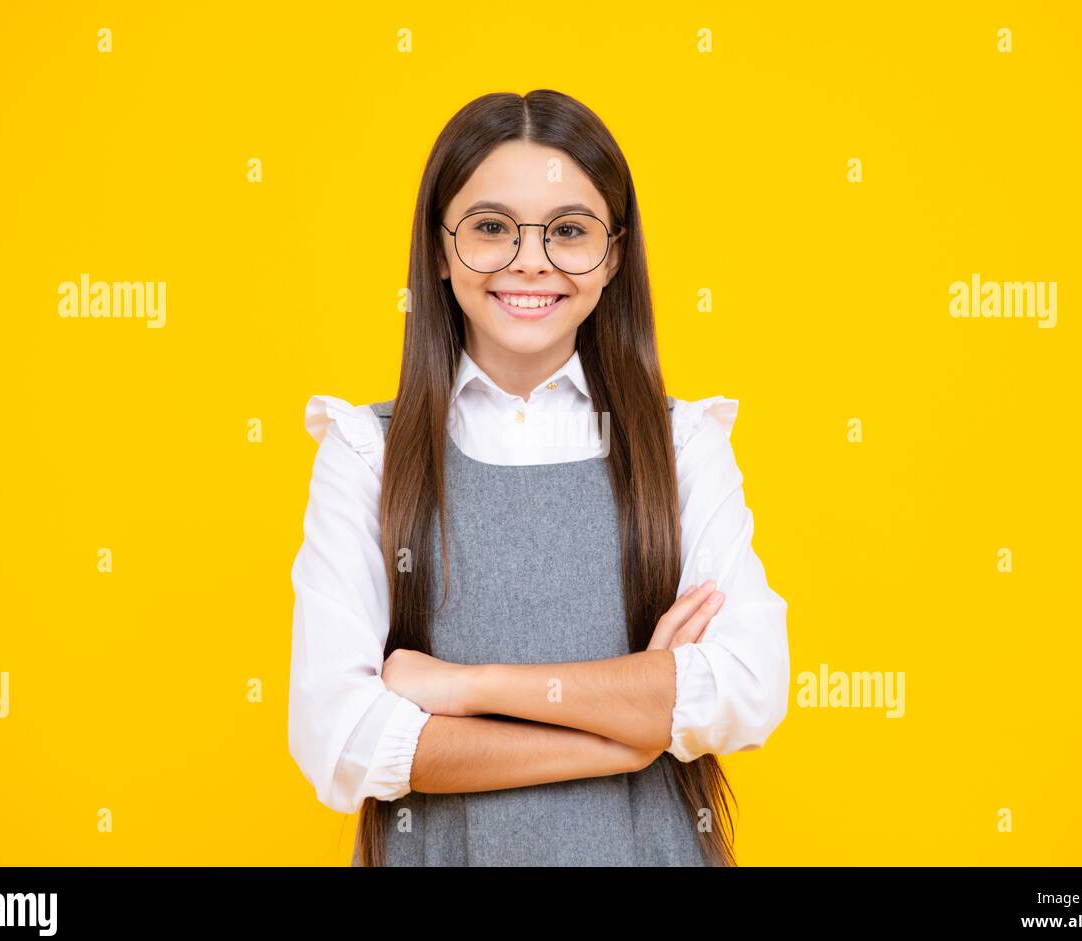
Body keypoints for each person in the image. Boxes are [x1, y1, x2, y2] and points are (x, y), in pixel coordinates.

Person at [287, 89, 790, 866]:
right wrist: (627, 729)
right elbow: (340, 736)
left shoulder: (681, 444)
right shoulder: (364, 453)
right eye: (491, 228)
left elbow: (748, 689)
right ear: (440, 248)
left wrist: (464, 688)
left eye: (568, 231)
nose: (531, 260)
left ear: (613, 255)